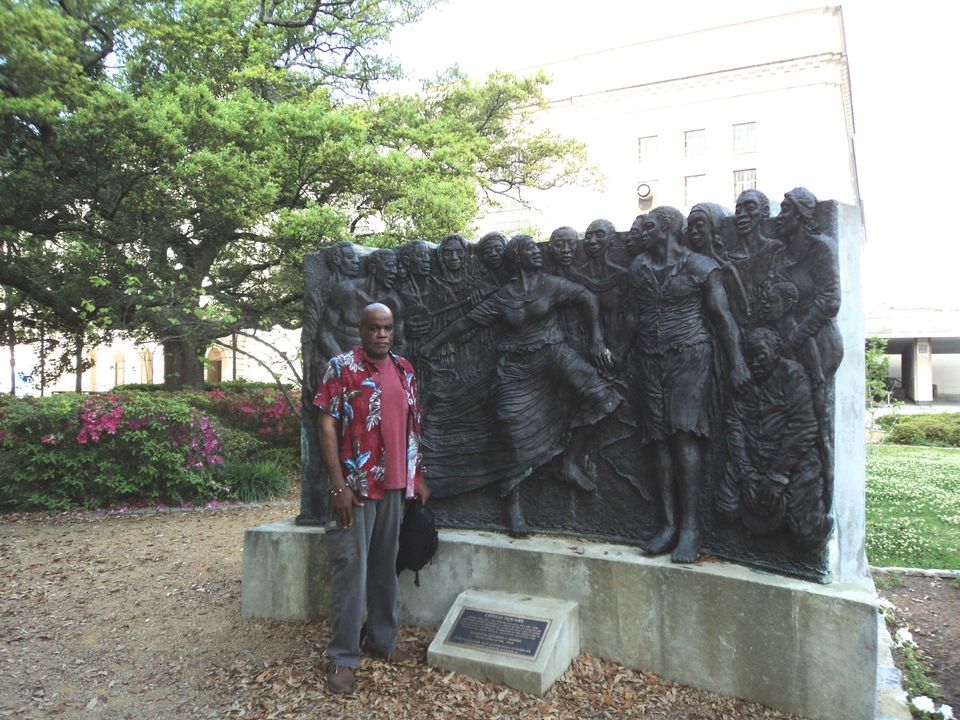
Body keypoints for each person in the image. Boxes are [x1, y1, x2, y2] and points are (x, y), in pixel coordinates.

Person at [420, 234, 620, 536]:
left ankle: (568, 461)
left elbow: (587, 298)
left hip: (554, 353)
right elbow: (467, 323)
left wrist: (597, 338)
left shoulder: (550, 284)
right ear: (517, 257)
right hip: (516, 365)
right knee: (511, 428)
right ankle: (514, 505)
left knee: (601, 396)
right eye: (529, 249)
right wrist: (432, 345)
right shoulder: (504, 297)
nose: (537, 253)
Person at [621, 207, 749, 563]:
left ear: (665, 228)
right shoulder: (639, 268)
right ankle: (667, 524)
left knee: (683, 436)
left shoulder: (701, 267)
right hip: (650, 358)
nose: (640, 230)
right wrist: (617, 351)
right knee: (657, 440)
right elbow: (632, 314)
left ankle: (691, 529)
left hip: (689, 357)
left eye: (646, 225)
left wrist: (737, 363)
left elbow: (723, 319)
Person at [314, 303, 430, 694]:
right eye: (373, 328)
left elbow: (412, 425)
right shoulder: (341, 368)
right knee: (351, 570)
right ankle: (343, 657)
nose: (381, 334)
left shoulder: (405, 370)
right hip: (358, 489)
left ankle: (381, 640)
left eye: (387, 328)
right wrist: (337, 485)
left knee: (385, 567)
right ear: (360, 329)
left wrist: (418, 475)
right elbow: (326, 425)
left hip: (396, 485)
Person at [718, 327, 833, 548]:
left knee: (808, 534)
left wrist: (777, 476)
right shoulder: (742, 380)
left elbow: (805, 426)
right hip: (751, 459)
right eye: (749, 357)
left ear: (775, 353)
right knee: (725, 510)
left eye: (761, 356)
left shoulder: (792, 375)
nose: (755, 363)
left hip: (792, 460)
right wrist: (745, 474)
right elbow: (733, 427)